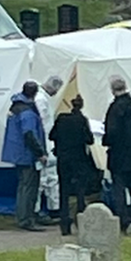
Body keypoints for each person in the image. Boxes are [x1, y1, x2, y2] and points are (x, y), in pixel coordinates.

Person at [103, 76, 131, 235]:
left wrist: (105, 140)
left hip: (118, 156)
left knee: (119, 190)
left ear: (112, 90)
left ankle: (123, 220)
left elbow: (111, 132)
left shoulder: (115, 108)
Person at [0, 81, 47, 232]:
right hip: (27, 155)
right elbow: (29, 134)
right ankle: (27, 219)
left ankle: (21, 217)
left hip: (17, 154)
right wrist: (40, 153)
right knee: (29, 188)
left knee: (22, 187)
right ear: (35, 94)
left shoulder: (15, 107)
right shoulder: (28, 112)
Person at [49, 94, 95, 235]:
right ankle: (80, 219)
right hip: (79, 160)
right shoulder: (82, 120)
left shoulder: (61, 119)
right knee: (80, 191)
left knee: (64, 190)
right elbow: (89, 139)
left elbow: (52, 135)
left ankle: (64, 222)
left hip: (63, 159)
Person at [34, 76, 64, 222]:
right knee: (42, 180)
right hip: (44, 145)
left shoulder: (42, 98)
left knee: (50, 179)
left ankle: (53, 209)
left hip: (48, 145)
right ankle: (38, 210)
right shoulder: (41, 100)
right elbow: (42, 126)